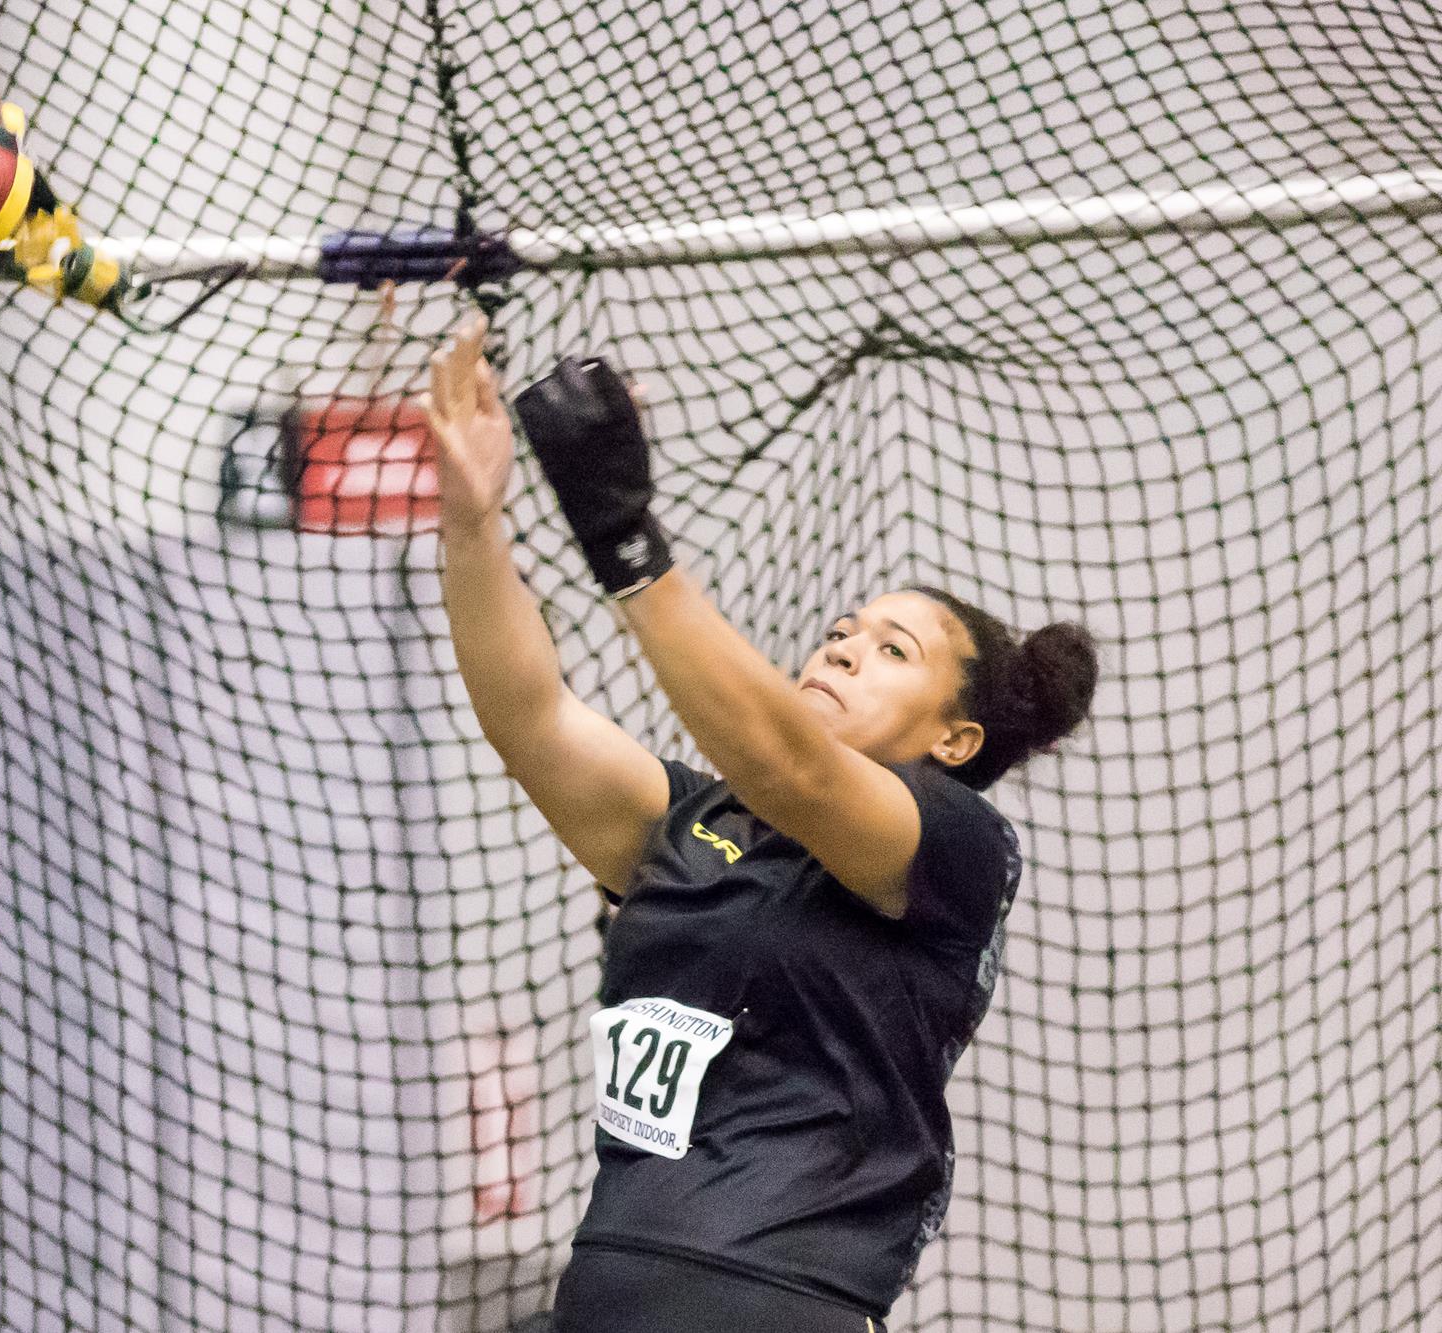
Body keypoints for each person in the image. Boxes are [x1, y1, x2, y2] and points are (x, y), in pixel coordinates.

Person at [420, 315, 1098, 1332]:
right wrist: (472, 526)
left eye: (889, 649)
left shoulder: (956, 847)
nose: (839, 650)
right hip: (605, 1297)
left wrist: (626, 541)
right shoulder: (694, 824)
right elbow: (533, 720)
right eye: (837, 633)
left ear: (954, 738)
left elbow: (787, 766)